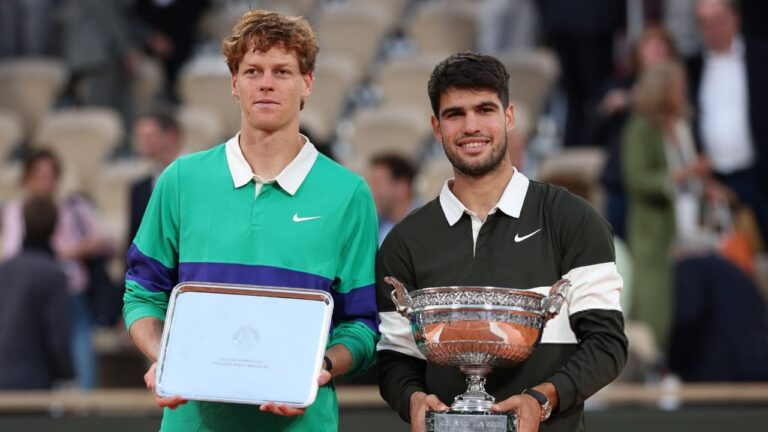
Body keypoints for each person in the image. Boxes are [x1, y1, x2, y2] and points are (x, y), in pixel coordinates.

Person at [123, 10, 380, 431]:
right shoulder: (181, 180)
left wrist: (320, 366)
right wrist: (164, 357)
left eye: (282, 71)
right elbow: (142, 294)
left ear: (307, 83)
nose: (266, 83)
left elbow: (363, 325)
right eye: (252, 70)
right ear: (234, 83)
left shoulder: (348, 194)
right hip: (192, 422)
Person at [376, 52, 627, 432]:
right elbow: (395, 357)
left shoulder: (572, 219)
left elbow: (607, 344)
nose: (471, 126)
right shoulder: (404, 242)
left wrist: (542, 399)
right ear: (436, 126)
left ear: (508, 117)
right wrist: (412, 399)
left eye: (484, 110)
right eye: (455, 114)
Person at [622, 60, 718, 351]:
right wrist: (683, 175)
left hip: (692, 228)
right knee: (657, 307)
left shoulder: (682, 122)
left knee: (693, 304)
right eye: (679, 87)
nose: (683, 92)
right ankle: (657, 366)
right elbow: (636, 179)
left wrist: (707, 184)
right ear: (663, 90)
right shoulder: (640, 128)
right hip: (655, 231)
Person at [1, 149, 114, 389]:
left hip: (73, 295)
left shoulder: (74, 208)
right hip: (30, 299)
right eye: (39, 175)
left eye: (51, 175)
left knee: (81, 363)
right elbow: (14, 253)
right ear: (26, 178)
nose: (46, 182)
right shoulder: (15, 211)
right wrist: (70, 252)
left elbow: (105, 242)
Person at [687, 0, 768, 244]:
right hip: (713, 181)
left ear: (735, 18)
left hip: (758, 173)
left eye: (719, 20)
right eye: (705, 23)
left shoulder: (761, 57)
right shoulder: (692, 67)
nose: (714, 29)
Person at [0, 196, 72, 389]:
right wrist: (67, 373)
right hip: (35, 379)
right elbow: (57, 335)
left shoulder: (5, 269)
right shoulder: (53, 274)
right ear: (55, 227)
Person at [127, 106, 183, 245]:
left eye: (149, 136)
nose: (143, 143)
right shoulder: (139, 188)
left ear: (171, 136)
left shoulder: (201, 177)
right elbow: (135, 241)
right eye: (140, 137)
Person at [367, 154, 418, 243]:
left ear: (402, 186)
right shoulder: (377, 227)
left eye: (377, 183)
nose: (370, 189)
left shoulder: (429, 224)